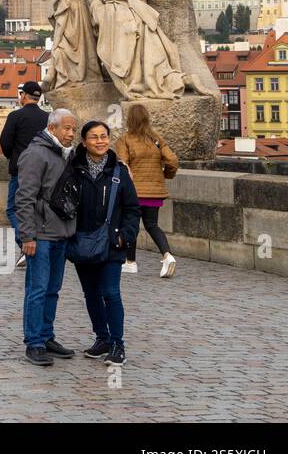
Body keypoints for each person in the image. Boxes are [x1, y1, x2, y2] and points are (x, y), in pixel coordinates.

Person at [69, 120, 141, 366]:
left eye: (104, 136)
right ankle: (102, 338)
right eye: (94, 137)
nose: (100, 141)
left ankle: (117, 344)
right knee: (90, 294)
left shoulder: (119, 171)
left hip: (112, 242)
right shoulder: (74, 169)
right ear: (84, 142)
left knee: (110, 292)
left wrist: (125, 236)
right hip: (82, 241)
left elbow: (133, 208)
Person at [14, 108, 79, 367]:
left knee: (53, 289)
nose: (71, 133)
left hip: (61, 232)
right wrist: (27, 235)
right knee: (38, 289)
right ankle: (34, 342)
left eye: (74, 129)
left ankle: (46, 335)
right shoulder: (35, 154)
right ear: (52, 129)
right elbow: (24, 197)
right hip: (40, 234)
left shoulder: (67, 154)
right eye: (67, 128)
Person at [114, 103, 179, 278]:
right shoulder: (156, 139)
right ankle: (167, 255)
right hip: (154, 192)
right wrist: (165, 175)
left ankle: (130, 262)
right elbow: (172, 160)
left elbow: (123, 165)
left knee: (131, 225)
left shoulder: (125, 139)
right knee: (151, 225)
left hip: (133, 192)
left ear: (129, 120)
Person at [0, 81, 49, 269]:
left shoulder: (16, 116)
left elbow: (5, 143)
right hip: (44, 172)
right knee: (38, 210)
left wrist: (13, 157)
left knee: (14, 208)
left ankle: (26, 246)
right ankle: (38, 245)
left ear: (24, 96)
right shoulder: (48, 117)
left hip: (20, 171)